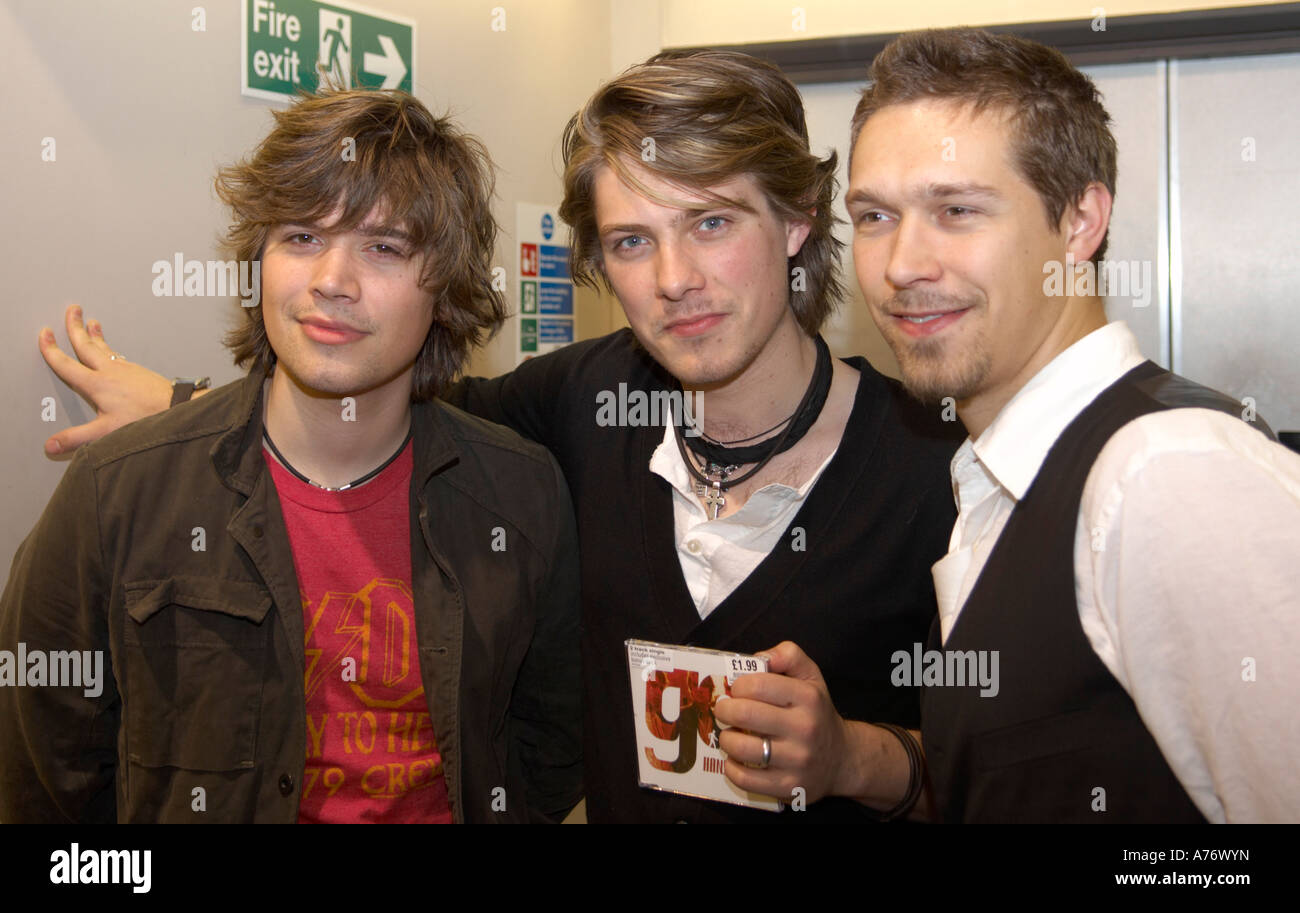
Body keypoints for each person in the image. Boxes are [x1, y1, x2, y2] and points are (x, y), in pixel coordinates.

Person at [32, 51, 962, 822]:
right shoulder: (582, 403)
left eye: (712, 222)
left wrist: (858, 757)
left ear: (798, 221)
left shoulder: (937, 471)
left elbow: (1014, 778)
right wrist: (180, 411)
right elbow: (371, 395)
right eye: (632, 241)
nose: (675, 278)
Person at [2, 89, 583, 823]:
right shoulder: (112, 496)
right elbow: (46, 778)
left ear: (446, 290)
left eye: (383, 246)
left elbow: (549, 749)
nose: (330, 281)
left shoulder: (523, 497)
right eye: (301, 237)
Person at [845, 28, 1300, 822]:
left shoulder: (1166, 472)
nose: (902, 264)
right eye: (875, 216)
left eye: (956, 209)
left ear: (1081, 221)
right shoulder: (993, 478)